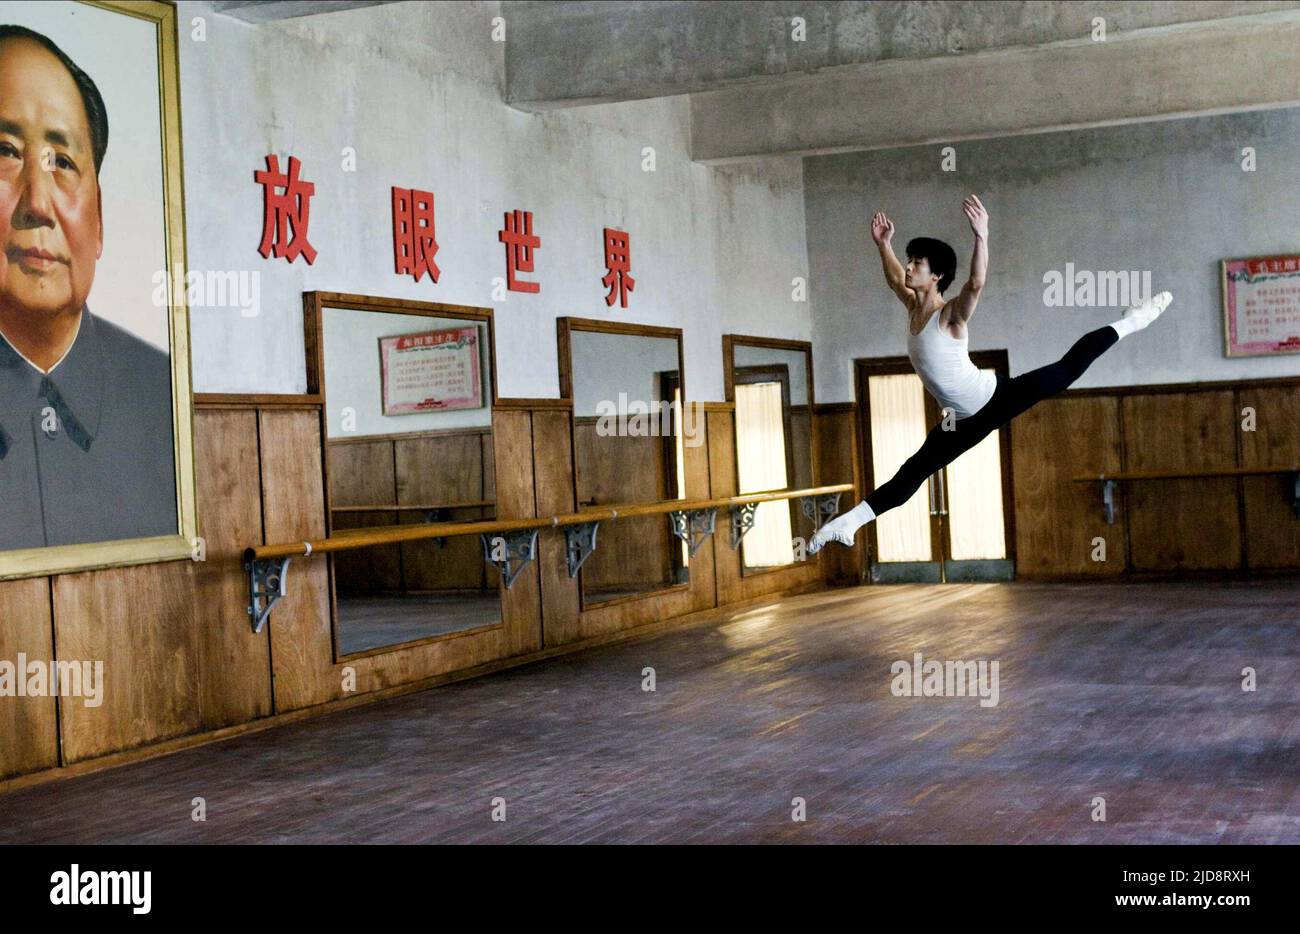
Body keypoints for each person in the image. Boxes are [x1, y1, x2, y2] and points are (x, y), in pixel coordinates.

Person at [808, 194, 1171, 553]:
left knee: (1065, 371)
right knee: (914, 471)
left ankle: (1134, 320)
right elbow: (892, 279)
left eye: (916, 263)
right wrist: (883, 244)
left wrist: (981, 235)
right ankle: (848, 523)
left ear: (935, 276)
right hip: (958, 421)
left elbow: (976, 283)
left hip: (994, 399)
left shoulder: (948, 316)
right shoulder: (912, 307)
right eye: (909, 261)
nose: (908, 266)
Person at [0, 25, 176, 550]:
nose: (38, 202)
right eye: (5, 151)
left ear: (98, 222)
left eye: (63, 162)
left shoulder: (161, 393)